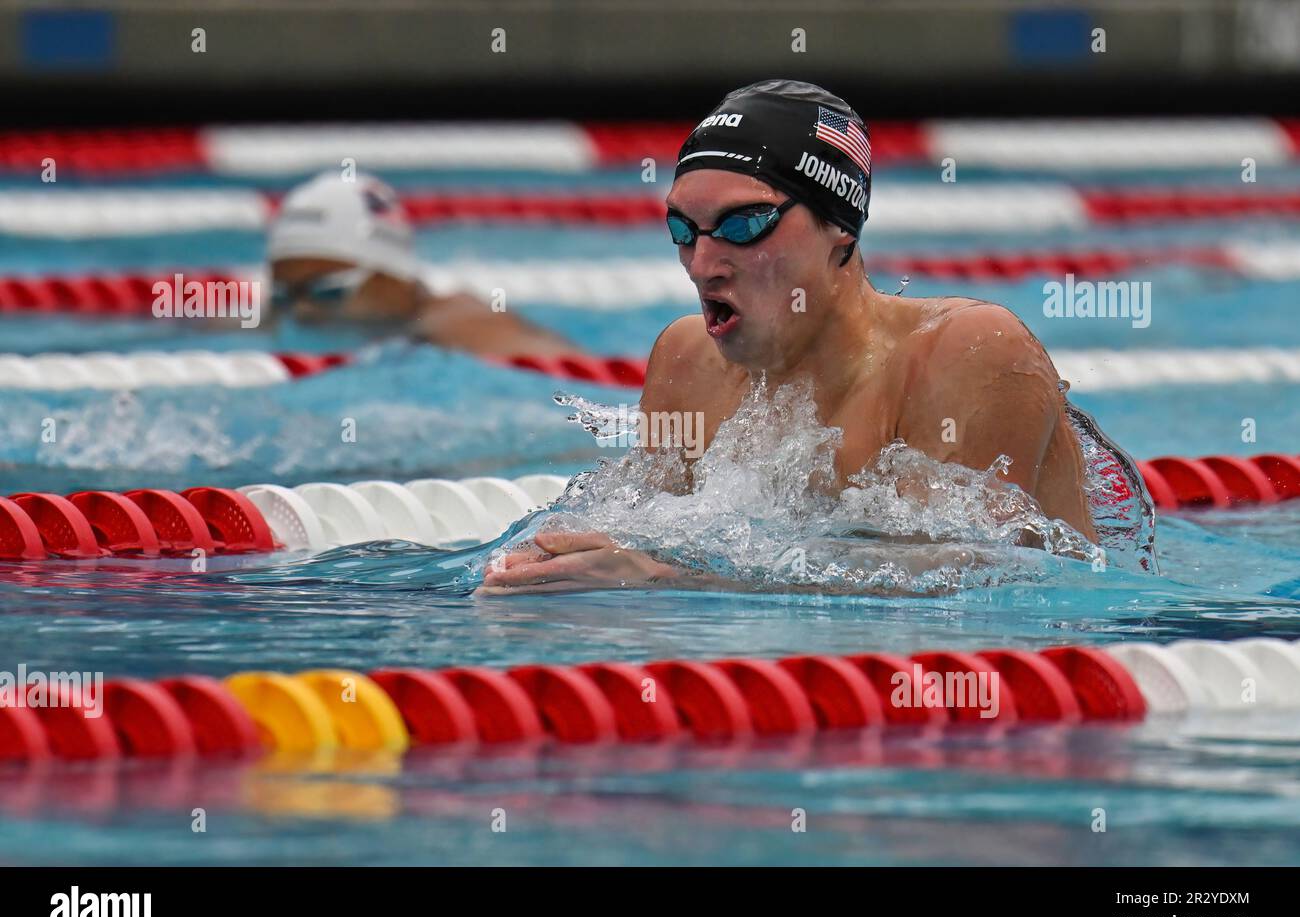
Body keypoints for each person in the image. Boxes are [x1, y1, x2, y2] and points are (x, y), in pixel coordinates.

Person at [480, 79, 1130, 595]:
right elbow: (646, 534)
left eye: (744, 225)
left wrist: (669, 579)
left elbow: (974, 581)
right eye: (683, 229)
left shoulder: (967, 349)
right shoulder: (687, 360)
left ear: (839, 228)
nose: (704, 262)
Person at [266, 171, 582, 357]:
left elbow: (584, 389)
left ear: (393, 275)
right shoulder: (289, 315)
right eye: (285, 295)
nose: (302, 311)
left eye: (327, 291)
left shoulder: (460, 326)